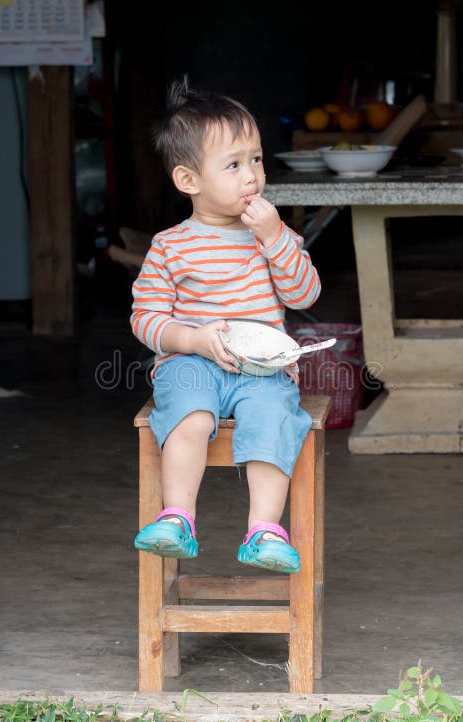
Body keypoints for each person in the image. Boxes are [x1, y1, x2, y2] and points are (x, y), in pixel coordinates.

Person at [130, 79, 321, 573]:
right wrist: (192, 338)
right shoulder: (171, 246)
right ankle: (177, 519)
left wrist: (276, 237)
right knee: (191, 418)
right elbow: (145, 318)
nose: (251, 176)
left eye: (256, 159)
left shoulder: (274, 235)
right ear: (188, 180)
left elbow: (305, 295)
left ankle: (263, 530)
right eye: (233, 165)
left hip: (262, 370)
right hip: (193, 362)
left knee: (273, 416)